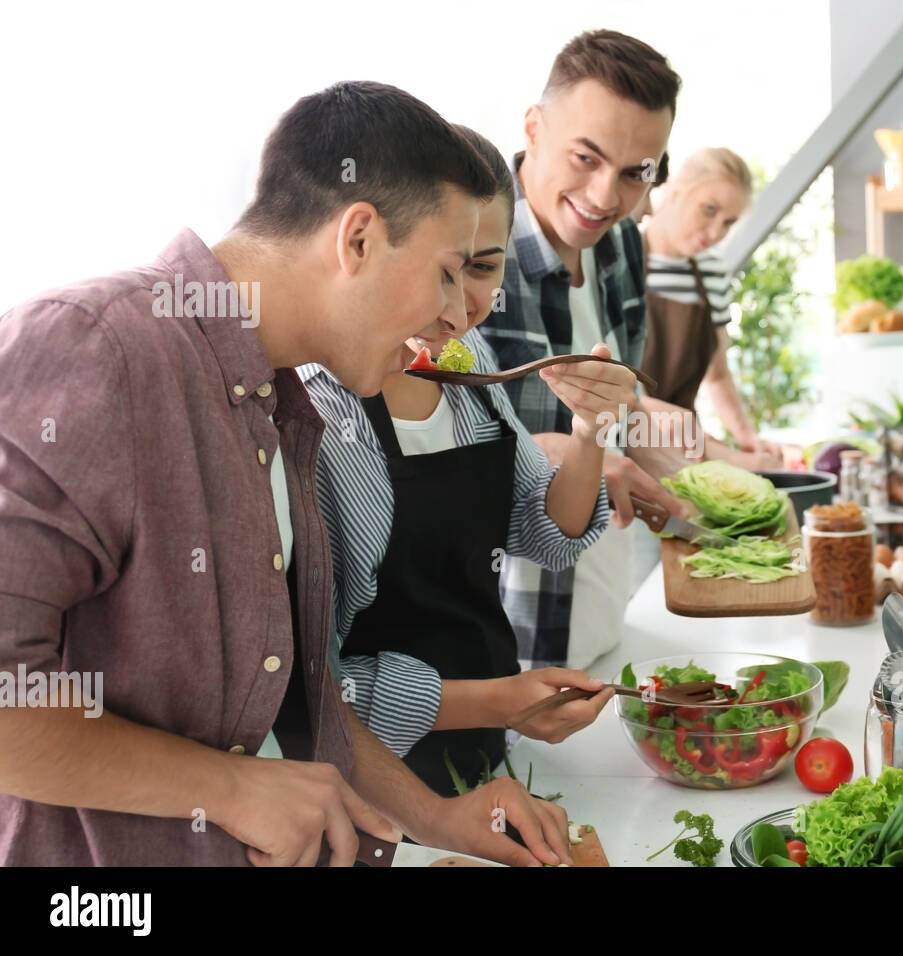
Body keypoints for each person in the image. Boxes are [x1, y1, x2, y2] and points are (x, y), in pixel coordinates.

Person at [0, 81, 574, 867]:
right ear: (359, 238)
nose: (455, 316)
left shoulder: (287, 405)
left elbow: (307, 700)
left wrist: (441, 821)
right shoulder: (93, 346)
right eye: (446, 273)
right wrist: (229, 788)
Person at [300, 128, 622, 796]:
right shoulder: (311, 405)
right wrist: (502, 701)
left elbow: (545, 532)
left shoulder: (465, 363)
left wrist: (590, 430)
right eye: (442, 270)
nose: (458, 308)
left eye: (484, 269)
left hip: (490, 758)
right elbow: (314, 681)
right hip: (371, 784)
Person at [478, 30, 696, 671]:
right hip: (507, 652)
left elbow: (619, 404)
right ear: (534, 129)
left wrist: (697, 466)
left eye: (636, 173)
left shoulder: (623, 243)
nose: (605, 196)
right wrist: (575, 457)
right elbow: (439, 446)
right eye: (585, 158)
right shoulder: (471, 256)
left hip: (606, 618)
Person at [639, 147, 788, 466]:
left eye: (728, 223)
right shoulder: (621, 259)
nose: (716, 233)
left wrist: (748, 440)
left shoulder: (711, 275)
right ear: (676, 191)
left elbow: (717, 375)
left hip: (687, 443)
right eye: (709, 210)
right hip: (628, 436)